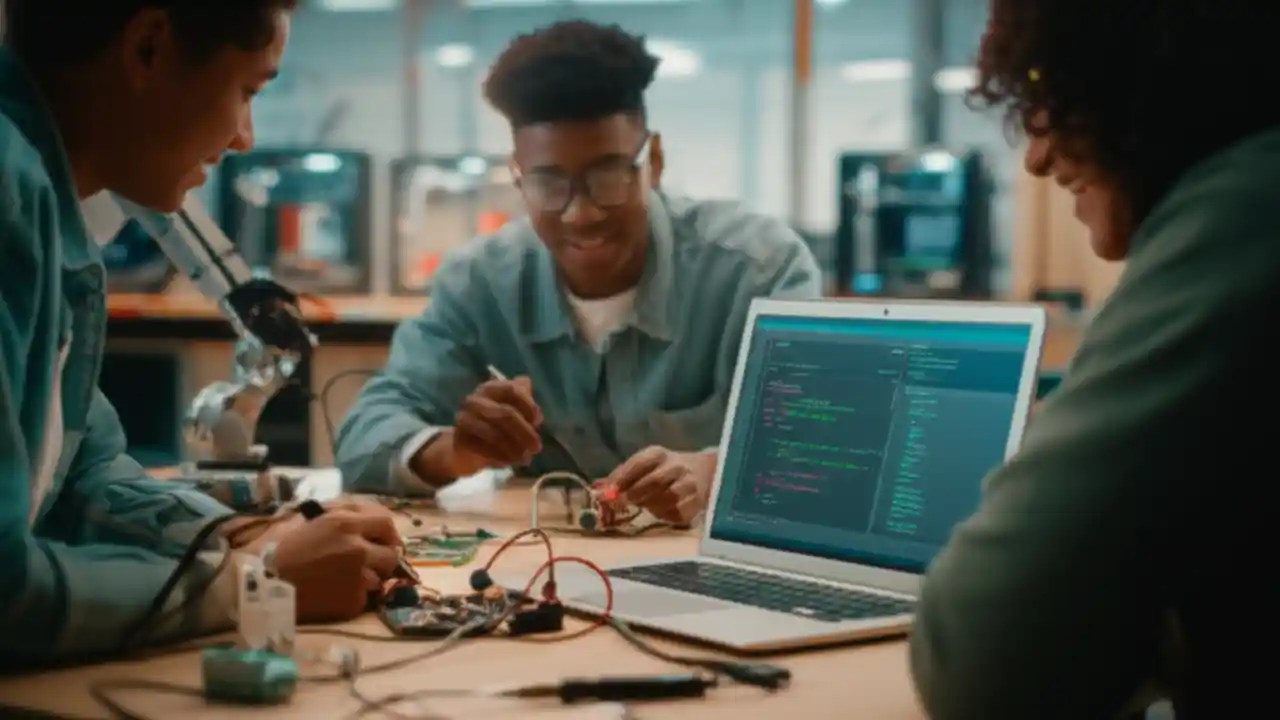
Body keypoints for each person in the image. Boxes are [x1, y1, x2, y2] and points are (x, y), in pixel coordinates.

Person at [1, 0, 403, 666]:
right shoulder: (9, 193)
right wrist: (253, 584)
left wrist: (242, 534)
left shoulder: (49, 210)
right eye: (247, 90)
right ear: (149, 48)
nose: (246, 136)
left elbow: (82, 478)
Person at [908, 1, 1279, 718]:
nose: (1037, 157)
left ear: (1153, 87)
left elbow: (985, 659)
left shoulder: (1249, 211)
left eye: (1055, 99)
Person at [336, 20, 821, 523]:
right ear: (517, 175)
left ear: (653, 160)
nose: (579, 213)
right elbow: (363, 438)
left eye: (607, 177)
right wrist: (455, 450)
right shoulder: (481, 282)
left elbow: (823, 445)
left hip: (712, 577)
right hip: (542, 569)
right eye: (548, 183)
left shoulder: (759, 271)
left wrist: (713, 472)